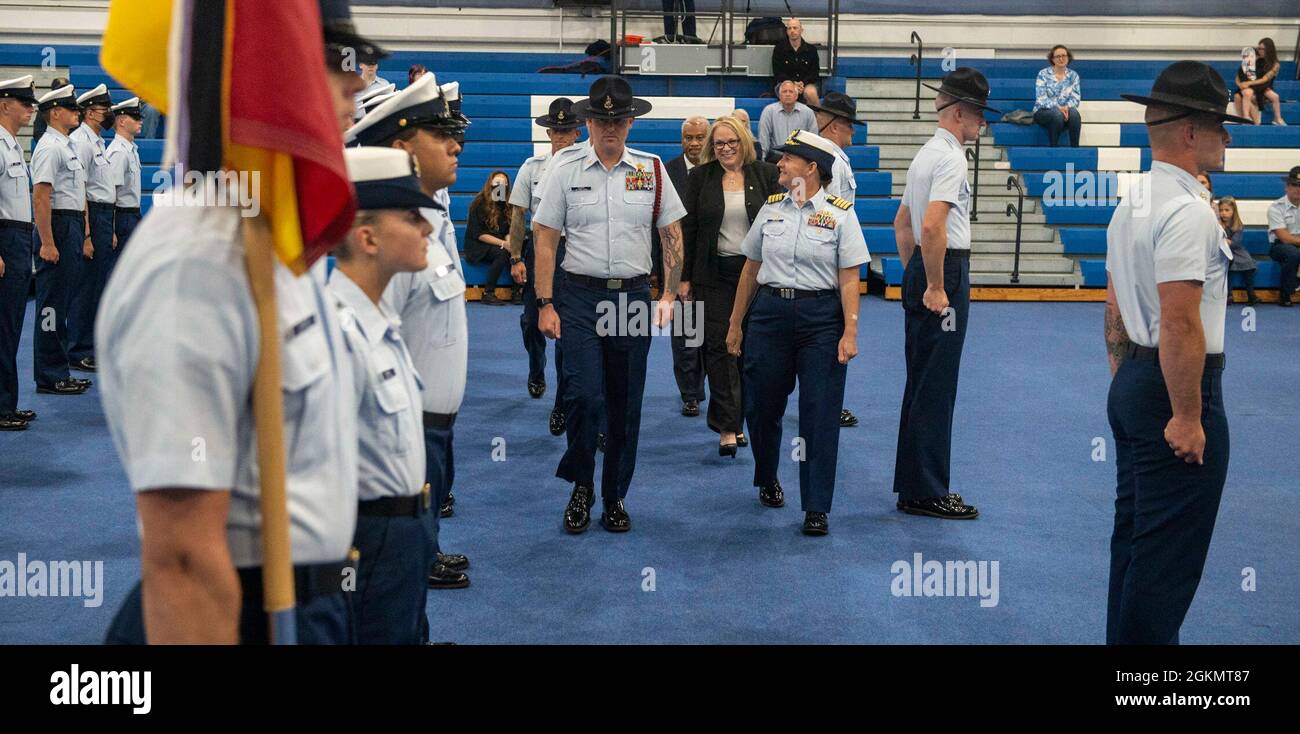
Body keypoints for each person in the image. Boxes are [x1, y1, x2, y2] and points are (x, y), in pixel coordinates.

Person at [99, 0, 378, 644]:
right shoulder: (197, 261)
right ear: (269, 67)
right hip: (248, 613)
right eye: (333, 56)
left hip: (308, 601)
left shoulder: (269, 241)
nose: (359, 79)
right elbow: (183, 560)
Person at [1104, 61, 1247, 644]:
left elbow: (1114, 302)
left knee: (1136, 544)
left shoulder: (1133, 200)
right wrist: (1187, 415)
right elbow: (1183, 322)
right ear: (1189, 131)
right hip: (1177, 391)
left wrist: (1127, 377)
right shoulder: (1189, 211)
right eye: (1218, 124)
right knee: (1166, 564)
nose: (1227, 136)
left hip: (1137, 380)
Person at [532, 75, 687, 534]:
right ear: (589, 122)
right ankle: (581, 484)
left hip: (632, 298)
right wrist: (544, 301)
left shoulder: (653, 169)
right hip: (578, 296)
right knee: (584, 396)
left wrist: (669, 294)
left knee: (624, 402)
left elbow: (671, 234)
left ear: (630, 122)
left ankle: (615, 495)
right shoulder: (565, 168)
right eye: (601, 120)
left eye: (618, 119)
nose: (610, 128)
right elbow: (545, 239)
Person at [346, 71, 472, 589]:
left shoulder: (426, 221)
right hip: (403, 426)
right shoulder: (386, 233)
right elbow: (364, 341)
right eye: (440, 136)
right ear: (402, 148)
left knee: (410, 554)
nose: (456, 145)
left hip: (430, 426)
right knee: (389, 568)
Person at [725, 130, 869, 535]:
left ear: (811, 169)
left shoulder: (841, 214)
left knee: (819, 412)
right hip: (769, 314)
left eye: (787, 159)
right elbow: (751, 269)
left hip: (822, 318)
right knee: (761, 405)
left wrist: (850, 332)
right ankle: (768, 475)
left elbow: (848, 278)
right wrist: (736, 323)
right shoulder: (771, 209)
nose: (780, 165)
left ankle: (816, 505)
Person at [328, 147, 436, 644]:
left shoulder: (381, 324)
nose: (428, 229)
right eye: (411, 217)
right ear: (367, 237)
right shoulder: (338, 336)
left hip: (405, 531)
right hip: (367, 543)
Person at [891, 68, 996, 520]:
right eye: (978, 115)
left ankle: (914, 485)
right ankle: (929, 490)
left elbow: (903, 224)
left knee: (921, 380)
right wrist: (935, 284)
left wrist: (916, 272)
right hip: (945, 272)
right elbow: (932, 224)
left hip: (924, 267)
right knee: (938, 384)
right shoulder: (953, 158)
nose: (982, 125)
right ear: (959, 112)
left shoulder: (924, 155)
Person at [680, 116, 779, 454]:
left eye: (731, 142)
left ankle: (743, 416)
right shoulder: (699, 177)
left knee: (750, 352)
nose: (725, 149)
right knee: (720, 349)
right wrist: (684, 278)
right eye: (719, 144)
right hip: (714, 274)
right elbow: (688, 229)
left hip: (758, 274)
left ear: (743, 143)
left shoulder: (766, 175)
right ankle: (727, 425)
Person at [508, 98, 583, 429]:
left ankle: (562, 405)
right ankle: (536, 368)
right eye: (556, 130)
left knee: (567, 331)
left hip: (574, 253)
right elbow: (517, 213)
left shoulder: (586, 168)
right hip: (538, 250)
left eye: (566, 131)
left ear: (577, 133)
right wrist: (513, 256)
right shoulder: (532, 167)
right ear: (548, 132)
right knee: (531, 321)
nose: (561, 136)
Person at [29, 84, 90, 397]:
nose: (77, 113)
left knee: (62, 302)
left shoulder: (66, 145)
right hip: (59, 225)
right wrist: (47, 241)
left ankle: (58, 369)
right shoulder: (50, 147)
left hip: (71, 224)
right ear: (55, 113)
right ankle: (50, 374)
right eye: (71, 108)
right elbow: (41, 195)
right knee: (51, 306)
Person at [660, 116, 708, 417]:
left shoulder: (722, 171)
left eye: (700, 137)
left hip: (715, 268)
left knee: (711, 335)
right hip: (679, 268)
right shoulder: (667, 171)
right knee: (686, 334)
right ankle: (690, 393)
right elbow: (661, 228)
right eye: (689, 137)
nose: (694, 143)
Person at [67, 84, 116, 373]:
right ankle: (77, 349)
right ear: (89, 112)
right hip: (90, 214)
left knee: (97, 285)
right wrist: (86, 234)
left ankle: (89, 345)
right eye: (103, 110)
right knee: (86, 287)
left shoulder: (98, 142)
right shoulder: (82, 142)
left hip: (102, 215)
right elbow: (81, 190)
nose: (108, 114)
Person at [0, 75, 37, 431]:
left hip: (18, 237)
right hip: (5, 238)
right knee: (3, 328)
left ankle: (6, 401)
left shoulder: (12, 144)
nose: (30, 110)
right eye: (24, 103)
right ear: (4, 105)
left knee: (10, 327)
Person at [465, 170, 515, 305]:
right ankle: (488, 293)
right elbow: (479, 234)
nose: (501, 185)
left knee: (523, 246)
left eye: (504, 183)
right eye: (497, 182)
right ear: (490, 184)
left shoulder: (507, 204)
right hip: (479, 245)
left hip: (500, 241)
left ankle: (517, 290)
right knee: (502, 252)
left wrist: (510, 243)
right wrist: (504, 244)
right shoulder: (479, 203)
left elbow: (509, 229)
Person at [105, 97, 144, 258]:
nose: (140, 121)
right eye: (135, 117)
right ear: (121, 121)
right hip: (122, 217)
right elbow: (111, 193)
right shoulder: (119, 152)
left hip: (132, 215)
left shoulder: (130, 150)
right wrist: (112, 230)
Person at [1034, 45, 1083, 147]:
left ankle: (1075, 151)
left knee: (1074, 114)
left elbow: (1076, 99)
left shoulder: (1074, 76)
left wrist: (1066, 107)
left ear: (1068, 57)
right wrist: (1059, 108)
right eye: (1058, 56)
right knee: (1057, 114)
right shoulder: (1043, 74)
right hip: (1043, 112)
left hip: (1065, 112)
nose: (1061, 59)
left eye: (1064, 56)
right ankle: (1054, 150)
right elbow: (1041, 99)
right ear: (1052, 59)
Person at [758, 80, 816, 163]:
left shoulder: (808, 113)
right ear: (779, 95)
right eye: (784, 91)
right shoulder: (768, 111)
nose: (788, 94)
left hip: (800, 159)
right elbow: (764, 140)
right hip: (776, 159)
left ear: (796, 95)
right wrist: (762, 163)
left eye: (791, 91)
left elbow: (813, 141)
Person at [1234, 38, 1286, 126]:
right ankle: (1246, 118)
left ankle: (1277, 118)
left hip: (1263, 86)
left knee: (1275, 97)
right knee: (1247, 95)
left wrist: (1248, 83)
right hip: (1253, 86)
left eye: (1262, 49)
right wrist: (1240, 84)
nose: (1260, 51)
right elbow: (1239, 75)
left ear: (1269, 50)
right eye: (1259, 48)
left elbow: (1264, 79)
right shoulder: (1254, 58)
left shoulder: (1274, 63)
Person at [1267, 166, 1300, 307]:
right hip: (1280, 246)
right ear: (1287, 186)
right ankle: (1286, 294)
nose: (1298, 189)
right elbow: (1284, 237)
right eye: (1295, 185)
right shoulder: (1276, 207)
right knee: (1292, 253)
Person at [1216, 196, 1257, 306]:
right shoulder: (1218, 225)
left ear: (1233, 211)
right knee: (1227, 267)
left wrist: (1225, 241)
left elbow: (1235, 243)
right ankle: (1228, 294)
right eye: (1221, 210)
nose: (1223, 213)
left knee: (1249, 265)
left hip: (1237, 251)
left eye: (1227, 210)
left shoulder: (1238, 225)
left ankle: (1251, 294)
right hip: (1223, 252)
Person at [771, 18, 820, 107]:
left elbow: (814, 73)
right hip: (784, 83)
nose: (792, 31)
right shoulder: (779, 49)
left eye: (795, 28)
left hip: (806, 84)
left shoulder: (812, 50)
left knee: (811, 92)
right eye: (789, 28)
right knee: (788, 92)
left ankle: (817, 119)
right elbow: (778, 73)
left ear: (801, 30)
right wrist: (792, 83)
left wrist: (803, 83)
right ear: (786, 31)